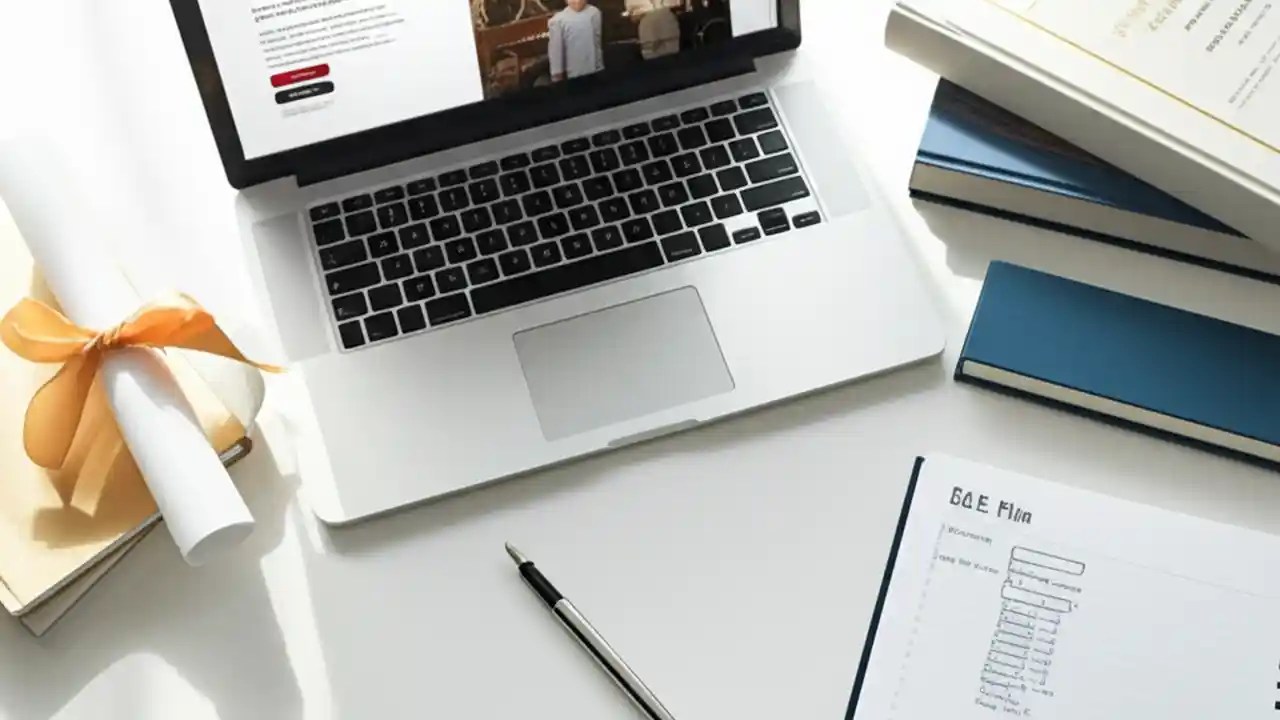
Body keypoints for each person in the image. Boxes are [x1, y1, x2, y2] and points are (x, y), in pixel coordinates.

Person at [548, 0, 604, 82]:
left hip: (596, 70)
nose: (577, 1)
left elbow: (598, 42)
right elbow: (556, 52)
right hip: (575, 74)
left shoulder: (595, 13)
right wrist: (557, 75)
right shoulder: (557, 20)